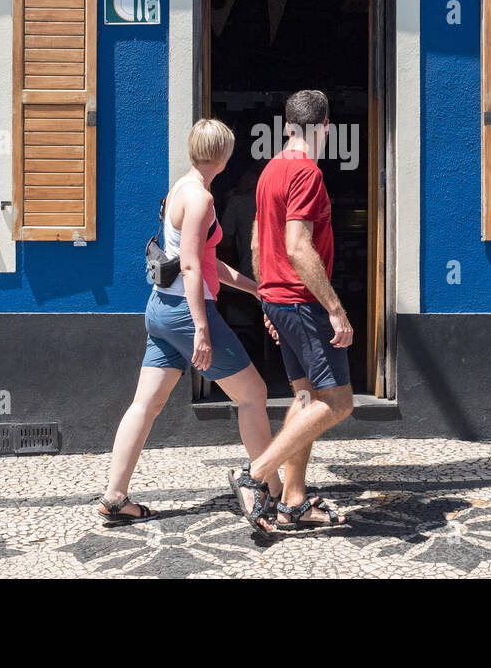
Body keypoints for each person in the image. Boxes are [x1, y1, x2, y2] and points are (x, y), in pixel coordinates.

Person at [99, 119, 283, 528]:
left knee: (145, 405)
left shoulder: (178, 190)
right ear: (224, 155)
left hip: (161, 309)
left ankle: (115, 497)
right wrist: (202, 327)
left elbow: (207, 260)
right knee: (253, 394)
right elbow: (190, 265)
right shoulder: (200, 199)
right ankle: (269, 489)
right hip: (187, 312)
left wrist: (255, 290)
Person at [228, 89, 353, 531]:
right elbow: (298, 247)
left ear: (285, 127)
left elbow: (260, 244)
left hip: (281, 303)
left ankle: (295, 500)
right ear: (323, 127)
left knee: (305, 398)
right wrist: (335, 309)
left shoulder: (268, 173)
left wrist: (266, 298)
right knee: (337, 402)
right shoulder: (306, 174)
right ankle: (256, 474)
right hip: (303, 305)